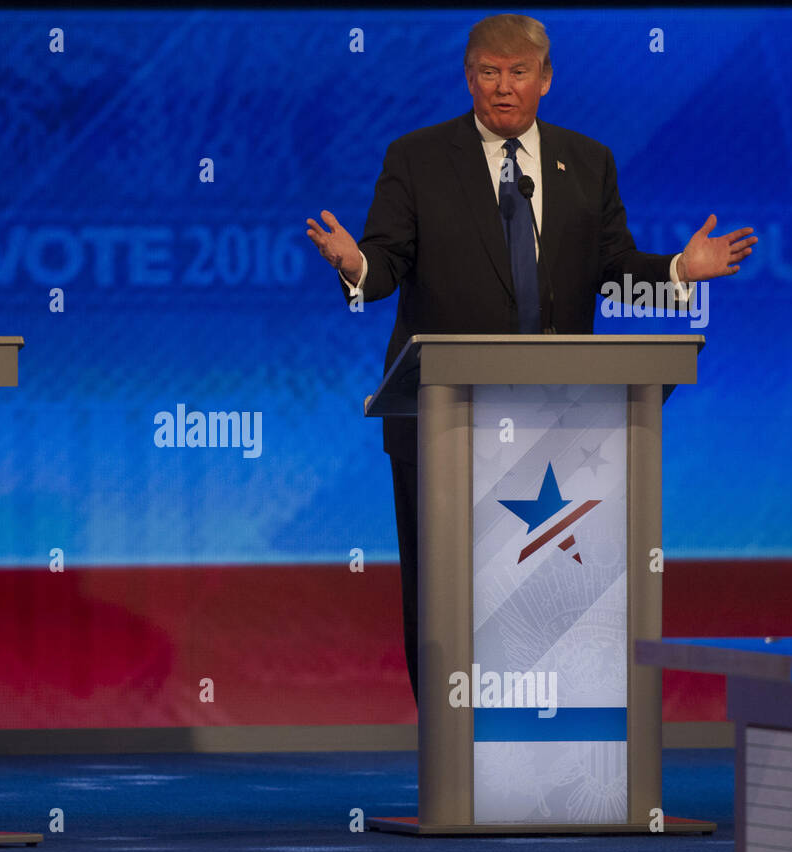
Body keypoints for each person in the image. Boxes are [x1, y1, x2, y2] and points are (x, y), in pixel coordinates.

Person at [305, 14, 754, 702]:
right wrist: (356, 265)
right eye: (488, 72)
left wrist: (678, 272)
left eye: (518, 74)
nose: (503, 88)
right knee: (445, 596)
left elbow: (611, 271)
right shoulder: (418, 157)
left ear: (545, 80)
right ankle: (452, 765)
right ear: (468, 77)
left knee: (553, 598)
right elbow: (386, 263)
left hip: (563, 425)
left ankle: (559, 757)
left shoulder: (588, 161)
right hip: (444, 424)